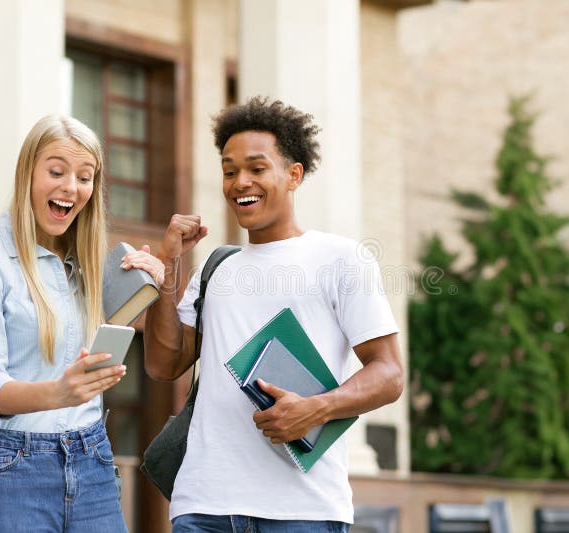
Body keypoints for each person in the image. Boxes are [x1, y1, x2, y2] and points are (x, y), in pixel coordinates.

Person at [138, 96, 404, 532]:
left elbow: (390, 373)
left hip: (304, 511)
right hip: (204, 507)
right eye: (229, 171)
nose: (240, 182)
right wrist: (168, 269)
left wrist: (316, 408)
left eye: (257, 169)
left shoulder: (340, 259)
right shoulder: (216, 268)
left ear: (293, 174)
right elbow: (163, 364)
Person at [0, 115, 163, 532]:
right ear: (28, 172)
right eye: (57, 171)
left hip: (92, 460)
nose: (71, 187)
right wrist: (59, 392)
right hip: (12, 469)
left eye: (85, 177)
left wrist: (158, 277)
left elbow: (117, 338)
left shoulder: (86, 264)